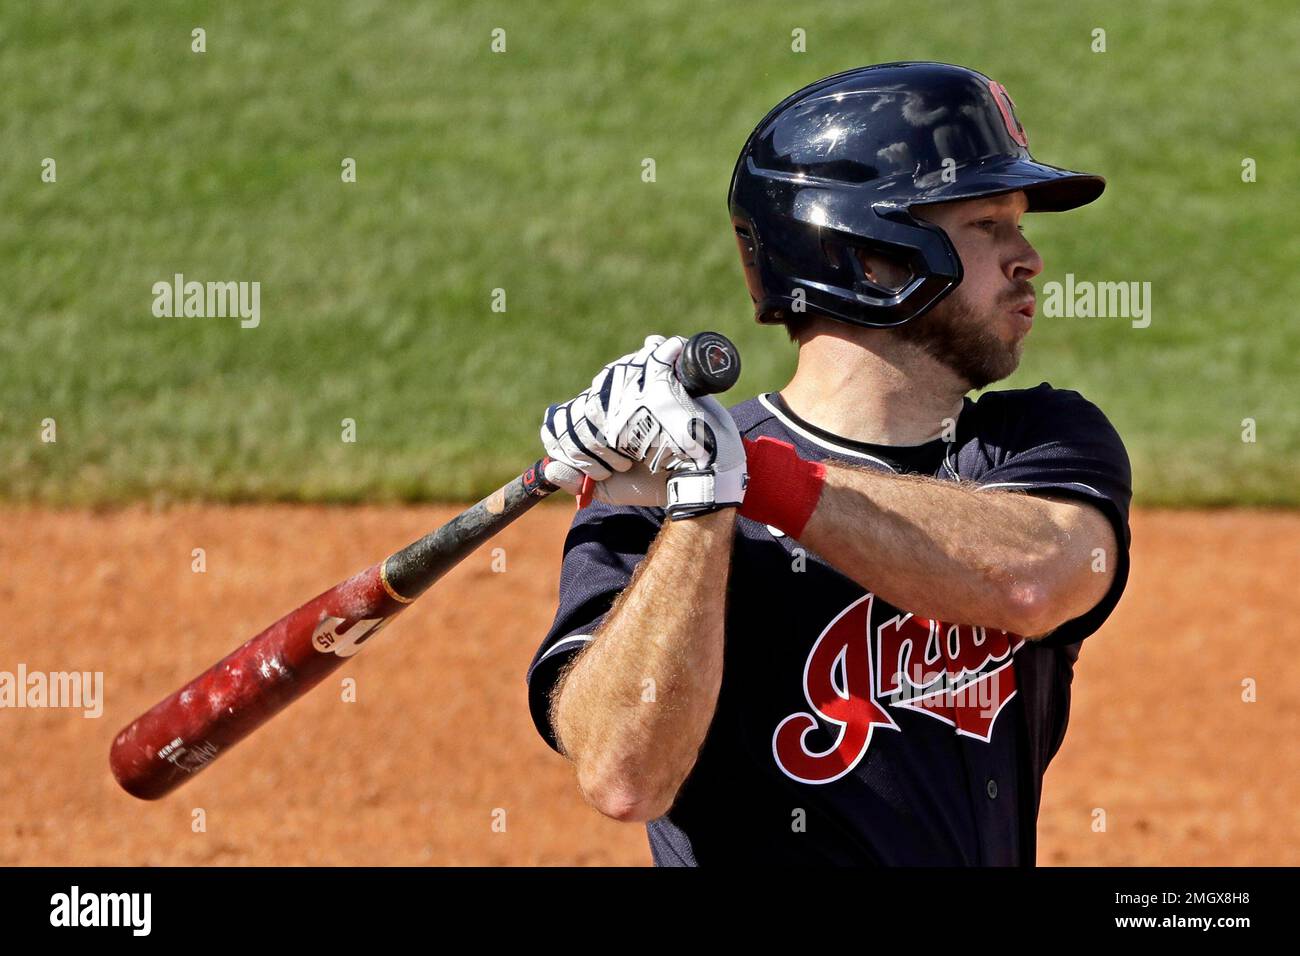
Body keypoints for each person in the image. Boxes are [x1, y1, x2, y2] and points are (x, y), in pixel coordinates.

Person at [526, 61, 1132, 866]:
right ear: (871, 257)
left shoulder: (1038, 443)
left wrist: (746, 474)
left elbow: (1032, 578)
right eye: (989, 225)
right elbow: (625, 778)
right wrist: (702, 502)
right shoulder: (660, 487)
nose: (1029, 259)